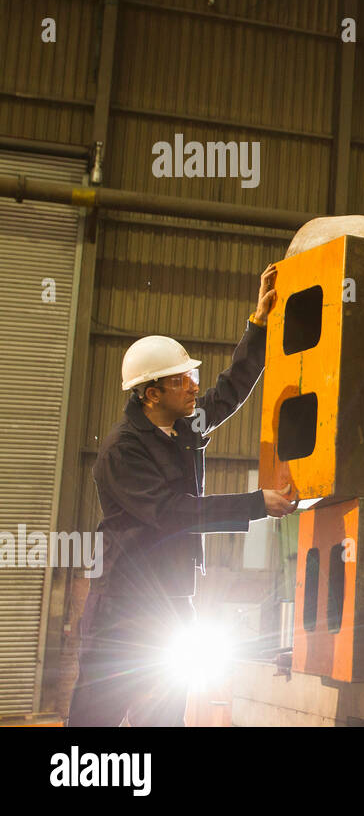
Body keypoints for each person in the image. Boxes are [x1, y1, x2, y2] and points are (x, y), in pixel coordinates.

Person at [67, 264, 297, 726]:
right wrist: (258, 504)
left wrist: (258, 324)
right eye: (180, 380)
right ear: (151, 394)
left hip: (172, 604)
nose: (193, 385)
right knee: (96, 721)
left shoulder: (182, 426)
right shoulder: (122, 451)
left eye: (190, 375)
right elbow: (172, 513)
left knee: (164, 717)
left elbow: (228, 392)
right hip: (124, 612)